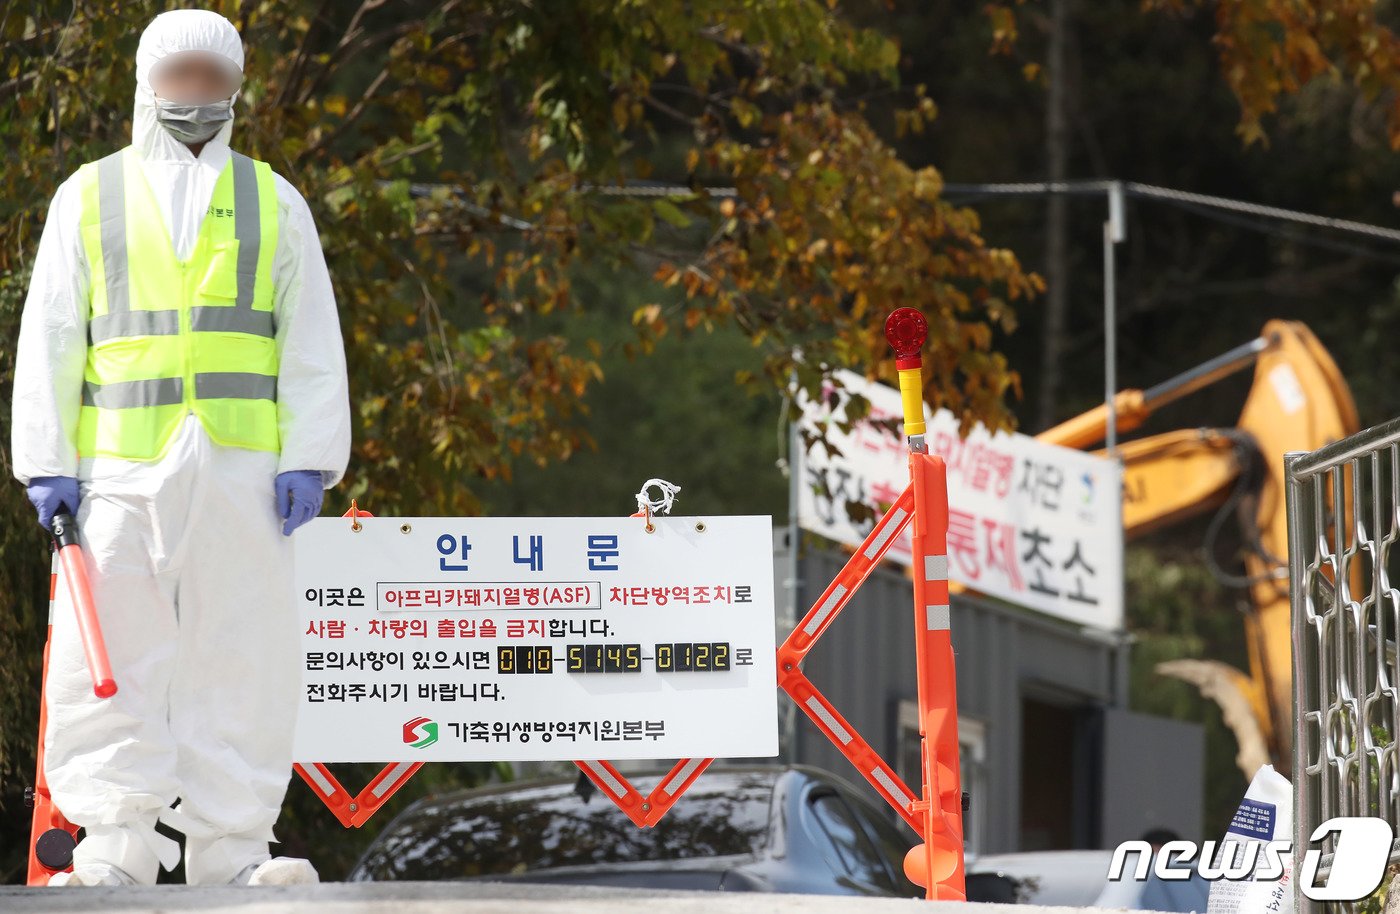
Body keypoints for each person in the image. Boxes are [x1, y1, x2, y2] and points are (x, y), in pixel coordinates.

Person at [10, 9, 351, 887]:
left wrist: (310, 456)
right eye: (179, 78)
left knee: (241, 651)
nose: (194, 96)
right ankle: (114, 846)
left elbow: (310, 337)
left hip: (243, 473)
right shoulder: (89, 196)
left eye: (210, 78)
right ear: (146, 82)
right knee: (111, 655)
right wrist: (47, 461)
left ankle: (233, 851)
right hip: (117, 472)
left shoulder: (276, 201)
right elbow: (51, 333)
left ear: (234, 86)